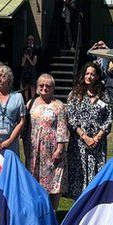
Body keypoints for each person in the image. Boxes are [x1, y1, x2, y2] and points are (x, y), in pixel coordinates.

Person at [65, 61, 113, 199]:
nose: (89, 76)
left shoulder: (104, 95)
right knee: (79, 178)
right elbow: (70, 118)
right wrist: (85, 137)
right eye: (87, 73)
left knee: (95, 177)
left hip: (97, 144)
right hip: (79, 143)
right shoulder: (75, 94)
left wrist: (97, 137)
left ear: (97, 76)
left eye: (92, 74)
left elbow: (108, 118)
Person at [25, 73, 69, 210]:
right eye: (41, 85)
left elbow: (62, 128)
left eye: (48, 86)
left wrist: (59, 149)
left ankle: (53, 214)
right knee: (34, 182)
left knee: (54, 183)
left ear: (53, 88)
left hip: (52, 150)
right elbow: (26, 127)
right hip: (34, 150)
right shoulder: (30, 104)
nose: (44, 88)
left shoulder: (59, 105)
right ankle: (38, 213)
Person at [20, 35, 40, 101]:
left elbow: (33, 63)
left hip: (32, 70)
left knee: (32, 86)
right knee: (26, 86)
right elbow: (22, 64)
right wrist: (25, 57)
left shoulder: (35, 52)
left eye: (31, 39)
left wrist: (28, 58)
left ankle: (33, 100)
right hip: (25, 70)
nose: (30, 41)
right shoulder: (24, 50)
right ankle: (26, 100)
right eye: (29, 39)